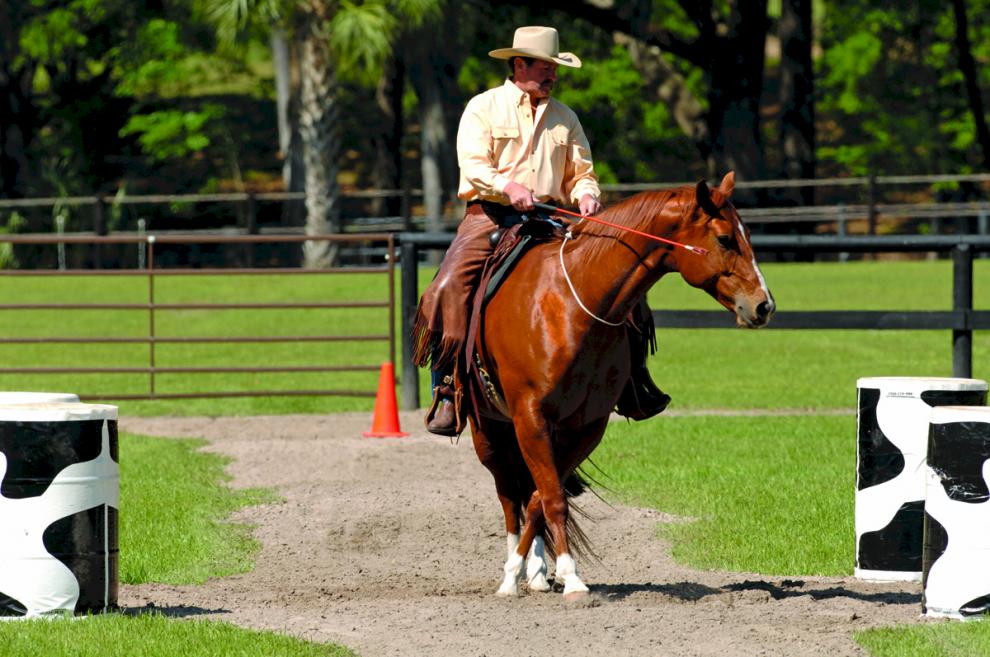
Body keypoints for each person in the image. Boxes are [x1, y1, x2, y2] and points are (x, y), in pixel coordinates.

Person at [412, 26, 669, 437]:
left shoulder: (566, 117)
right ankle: (448, 390)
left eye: (555, 68)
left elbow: (583, 172)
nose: (553, 76)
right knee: (445, 288)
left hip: (552, 216)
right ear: (520, 65)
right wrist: (508, 187)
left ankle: (635, 379)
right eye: (545, 68)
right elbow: (474, 166)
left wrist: (586, 195)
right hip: (490, 216)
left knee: (625, 278)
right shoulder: (483, 107)